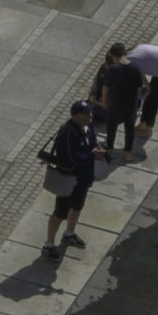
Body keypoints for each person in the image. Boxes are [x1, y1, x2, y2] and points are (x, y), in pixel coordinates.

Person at [41, 101, 100, 259]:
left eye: (90, 112)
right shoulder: (67, 133)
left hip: (83, 178)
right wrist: (91, 155)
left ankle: (69, 233)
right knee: (59, 213)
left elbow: (92, 143)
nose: (91, 115)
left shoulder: (88, 127)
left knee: (77, 206)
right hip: (69, 179)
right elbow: (70, 158)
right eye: (86, 113)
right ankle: (49, 244)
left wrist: (98, 150)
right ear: (76, 116)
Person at [93, 44, 146, 160]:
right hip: (130, 103)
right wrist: (135, 99)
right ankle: (128, 153)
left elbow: (106, 87)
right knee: (129, 128)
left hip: (115, 102)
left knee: (112, 126)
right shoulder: (135, 67)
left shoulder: (113, 69)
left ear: (112, 55)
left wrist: (104, 101)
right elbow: (139, 87)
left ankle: (109, 148)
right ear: (125, 53)